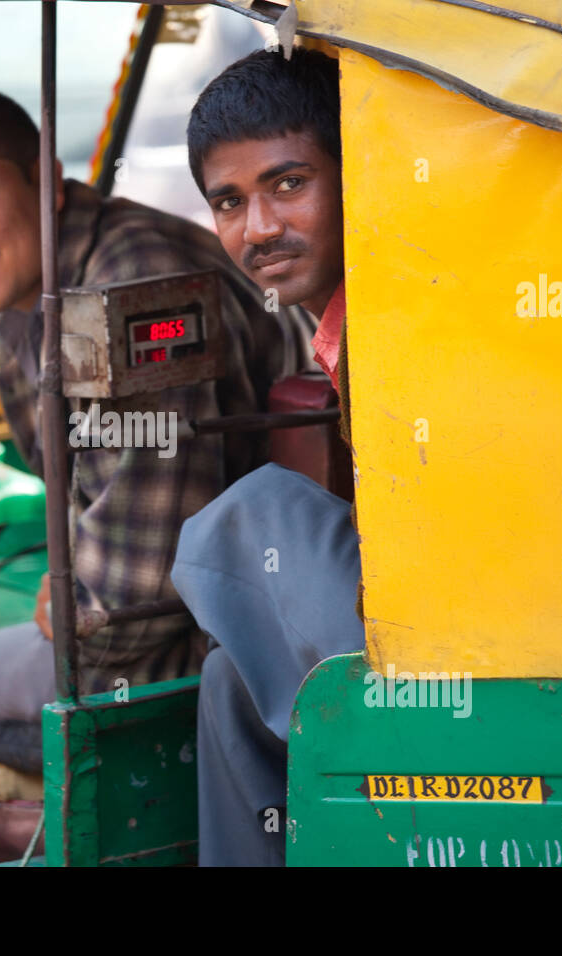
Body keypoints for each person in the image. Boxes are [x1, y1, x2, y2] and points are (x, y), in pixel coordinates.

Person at [0, 86, 316, 865]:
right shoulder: (23, 294)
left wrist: (67, 605)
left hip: (204, 645)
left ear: (44, 182)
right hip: (171, 620)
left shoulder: (124, 292)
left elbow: (128, 598)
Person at [168, 47, 362, 866]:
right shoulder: (332, 327)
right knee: (227, 685)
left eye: (290, 184)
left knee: (250, 514)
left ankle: (378, 747)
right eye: (229, 201)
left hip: (479, 637)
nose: (260, 229)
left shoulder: (405, 320)